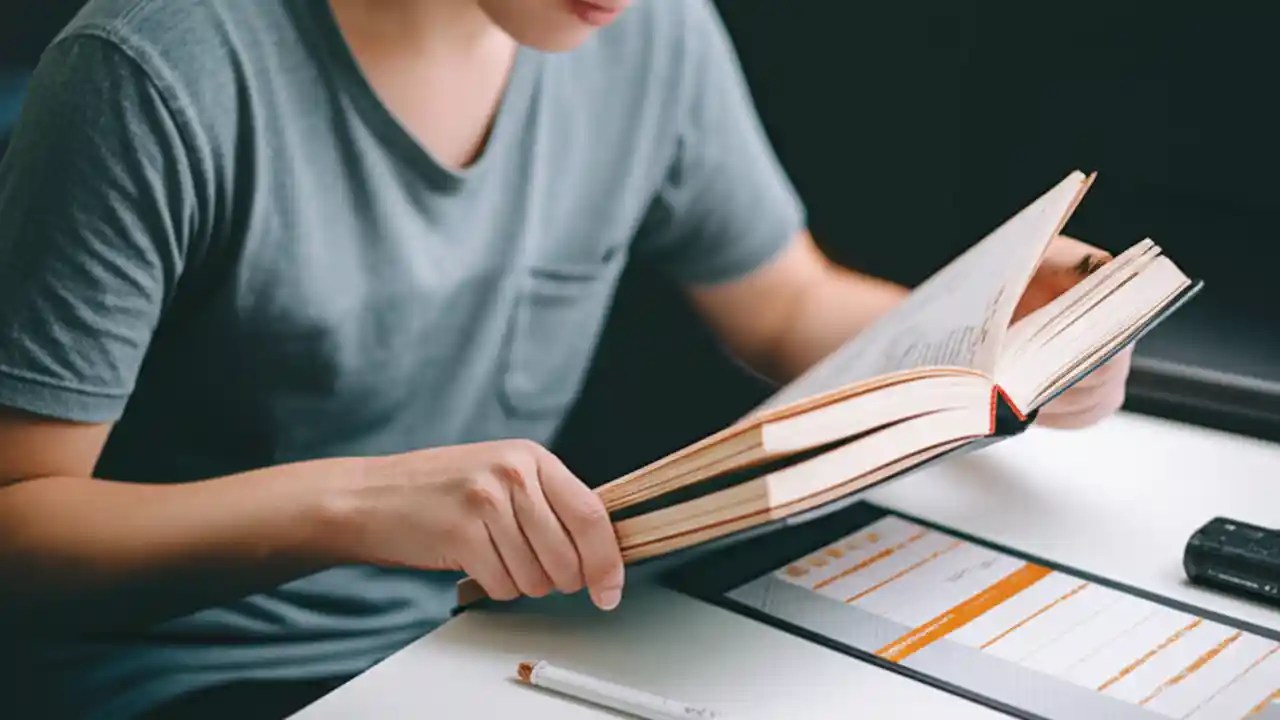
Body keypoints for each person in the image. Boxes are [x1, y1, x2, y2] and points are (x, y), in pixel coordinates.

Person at [0, 0, 1132, 717]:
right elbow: (20, 530)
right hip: (182, 679)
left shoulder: (647, 32)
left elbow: (784, 298)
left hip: (479, 648)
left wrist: (989, 331)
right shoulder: (152, 70)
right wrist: (358, 506)